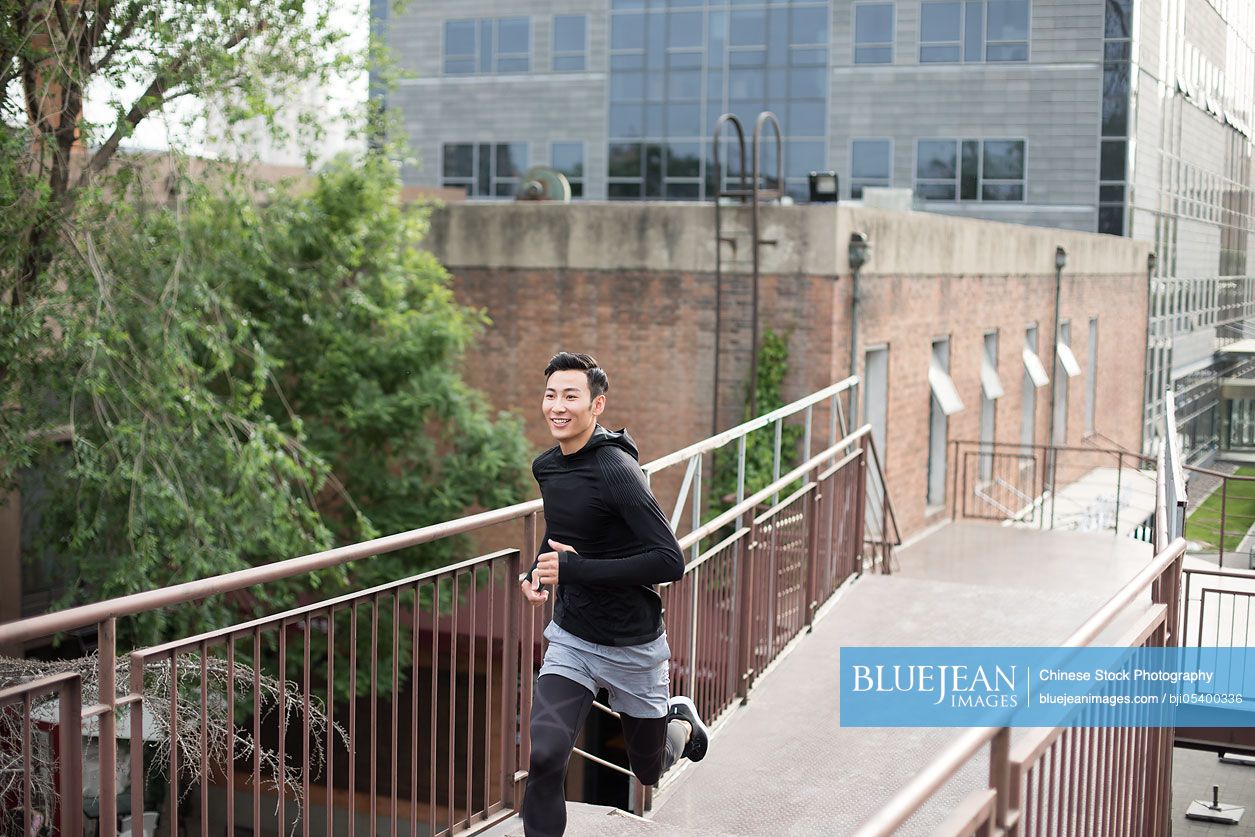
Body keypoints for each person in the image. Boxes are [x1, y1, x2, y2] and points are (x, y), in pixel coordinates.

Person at [518, 351, 710, 837]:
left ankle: (680, 723)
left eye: (571, 396)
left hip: (633, 645)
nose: (557, 406)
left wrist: (576, 570)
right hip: (572, 638)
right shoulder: (549, 467)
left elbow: (669, 561)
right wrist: (539, 574)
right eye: (550, 395)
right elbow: (563, 532)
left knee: (648, 770)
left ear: (596, 405)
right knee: (543, 757)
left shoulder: (617, 471)